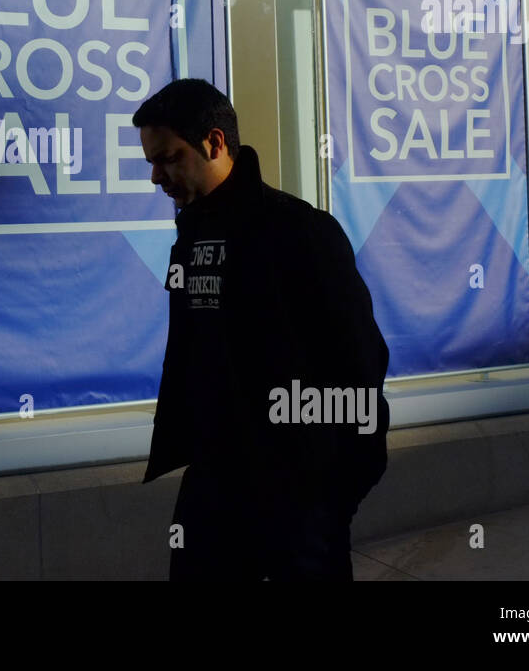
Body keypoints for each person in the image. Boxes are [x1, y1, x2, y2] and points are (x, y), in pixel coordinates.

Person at [133, 78, 390, 581]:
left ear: (214, 143)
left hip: (299, 500)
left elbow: (361, 365)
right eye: (151, 162)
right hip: (212, 490)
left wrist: (334, 494)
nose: (156, 177)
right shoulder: (191, 236)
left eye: (168, 158)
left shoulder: (301, 232)